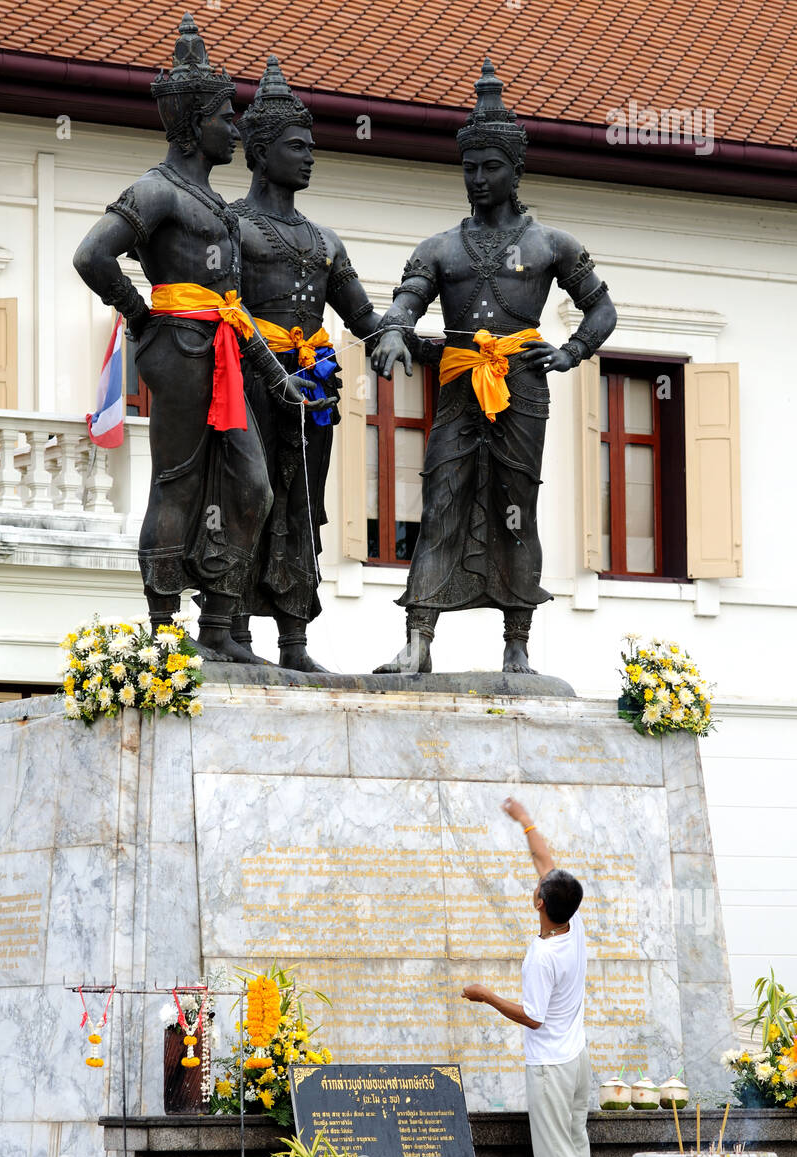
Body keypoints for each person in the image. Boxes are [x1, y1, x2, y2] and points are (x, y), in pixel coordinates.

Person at [72, 17, 330, 658]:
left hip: (222, 347)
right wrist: (141, 314)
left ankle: (219, 627)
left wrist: (278, 378)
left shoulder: (214, 204)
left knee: (250, 487)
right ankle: (165, 631)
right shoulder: (156, 192)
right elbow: (92, 256)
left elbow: (234, 310)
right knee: (178, 481)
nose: (234, 129)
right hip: (180, 348)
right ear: (193, 127)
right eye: (224, 116)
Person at [373, 59, 616, 675]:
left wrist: (569, 352)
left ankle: (517, 642)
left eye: (491, 168)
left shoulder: (551, 244)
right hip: (459, 384)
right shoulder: (439, 248)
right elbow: (407, 300)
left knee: (517, 503)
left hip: (522, 387)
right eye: (470, 169)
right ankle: (419, 639)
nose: (478, 180)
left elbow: (601, 309)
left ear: (516, 170)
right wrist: (398, 332)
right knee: (442, 498)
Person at [227, 57, 385, 671]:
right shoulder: (234, 226)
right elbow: (227, 308)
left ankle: (294, 641)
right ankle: (233, 630)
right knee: (249, 496)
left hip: (314, 387)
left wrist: (409, 339)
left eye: (312, 147)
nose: (310, 156)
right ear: (262, 153)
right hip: (249, 380)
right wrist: (272, 371)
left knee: (303, 505)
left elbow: (364, 317)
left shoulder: (326, 241)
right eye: (298, 147)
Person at [462, 795, 595, 1157]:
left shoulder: (544, 956)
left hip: (553, 1066)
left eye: (539, 885)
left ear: (539, 901)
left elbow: (534, 1017)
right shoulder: (571, 921)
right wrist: (525, 821)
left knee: (556, 1154)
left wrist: (486, 996)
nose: (538, 877)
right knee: (575, 1145)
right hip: (577, 1058)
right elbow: (545, 859)